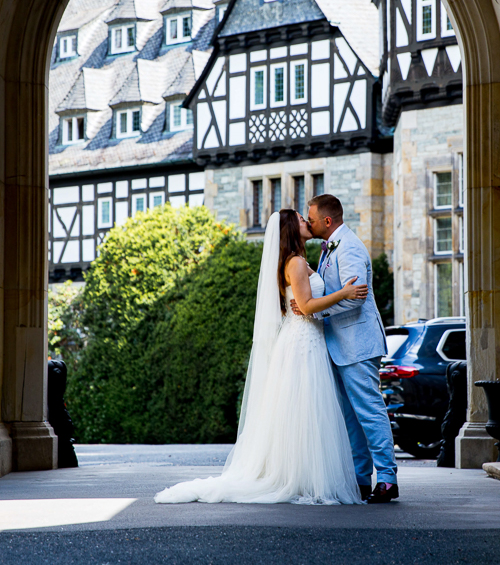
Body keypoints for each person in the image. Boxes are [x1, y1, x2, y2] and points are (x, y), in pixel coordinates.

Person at [154, 209, 369, 505]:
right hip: (303, 341)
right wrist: (344, 293)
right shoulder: (294, 262)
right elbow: (306, 306)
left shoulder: (298, 261)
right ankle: (301, 478)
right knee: (305, 411)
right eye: (301, 219)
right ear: (292, 228)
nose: (307, 222)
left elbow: (305, 303)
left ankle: (307, 475)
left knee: (306, 413)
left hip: (308, 339)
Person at [292, 194, 399, 503]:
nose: (308, 223)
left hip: (358, 343)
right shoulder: (329, 248)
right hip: (338, 344)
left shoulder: (349, 246)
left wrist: (314, 311)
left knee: (368, 410)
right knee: (350, 416)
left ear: (327, 221)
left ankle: (388, 479)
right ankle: (361, 478)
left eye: (310, 218)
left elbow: (355, 298)